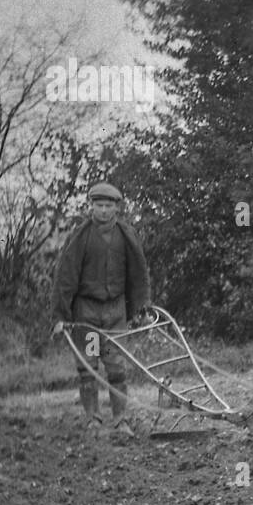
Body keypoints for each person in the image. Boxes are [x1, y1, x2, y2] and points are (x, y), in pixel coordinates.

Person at [51, 182, 152, 428]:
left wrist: (142, 309)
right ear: (91, 207)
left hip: (115, 311)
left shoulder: (126, 235)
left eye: (108, 206)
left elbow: (138, 274)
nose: (104, 211)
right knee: (90, 364)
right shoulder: (81, 237)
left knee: (116, 365)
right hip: (87, 312)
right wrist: (61, 315)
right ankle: (93, 418)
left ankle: (120, 419)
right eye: (99, 206)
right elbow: (66, 276)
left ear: (117, 208)